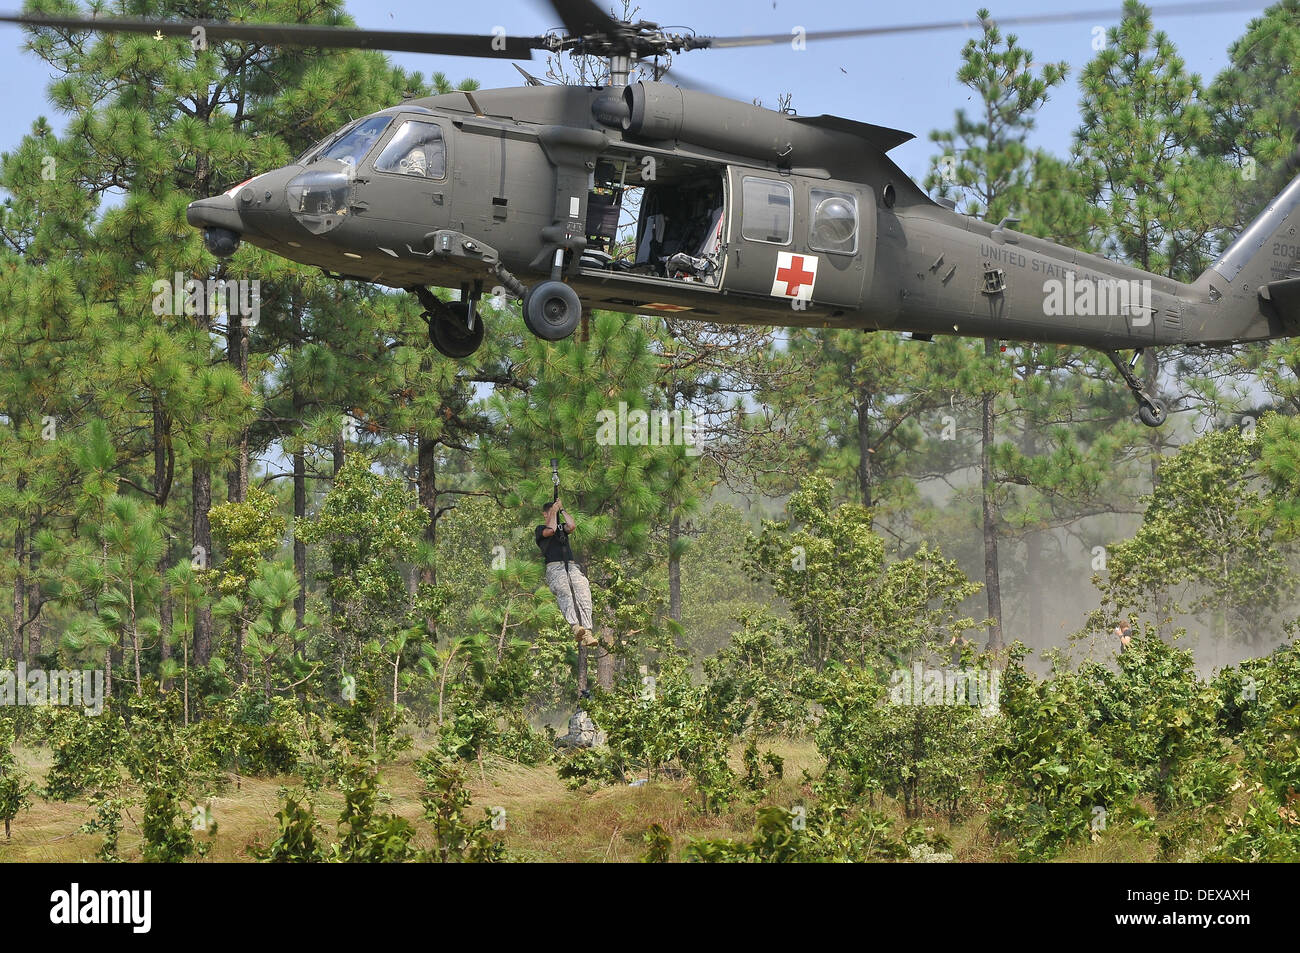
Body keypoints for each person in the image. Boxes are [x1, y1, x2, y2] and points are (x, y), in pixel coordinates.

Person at [536, 499, 598, 647]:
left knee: (584, 591)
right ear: (545, 514)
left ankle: (587, 632)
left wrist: (561, 509)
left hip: (570, 567)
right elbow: (550, 530)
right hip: (555, 568)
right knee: (565, 592)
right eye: (552, 511)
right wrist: (553, 511)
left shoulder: (562, 528)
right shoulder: (540, 529)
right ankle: (575, 626)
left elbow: (572, 525)